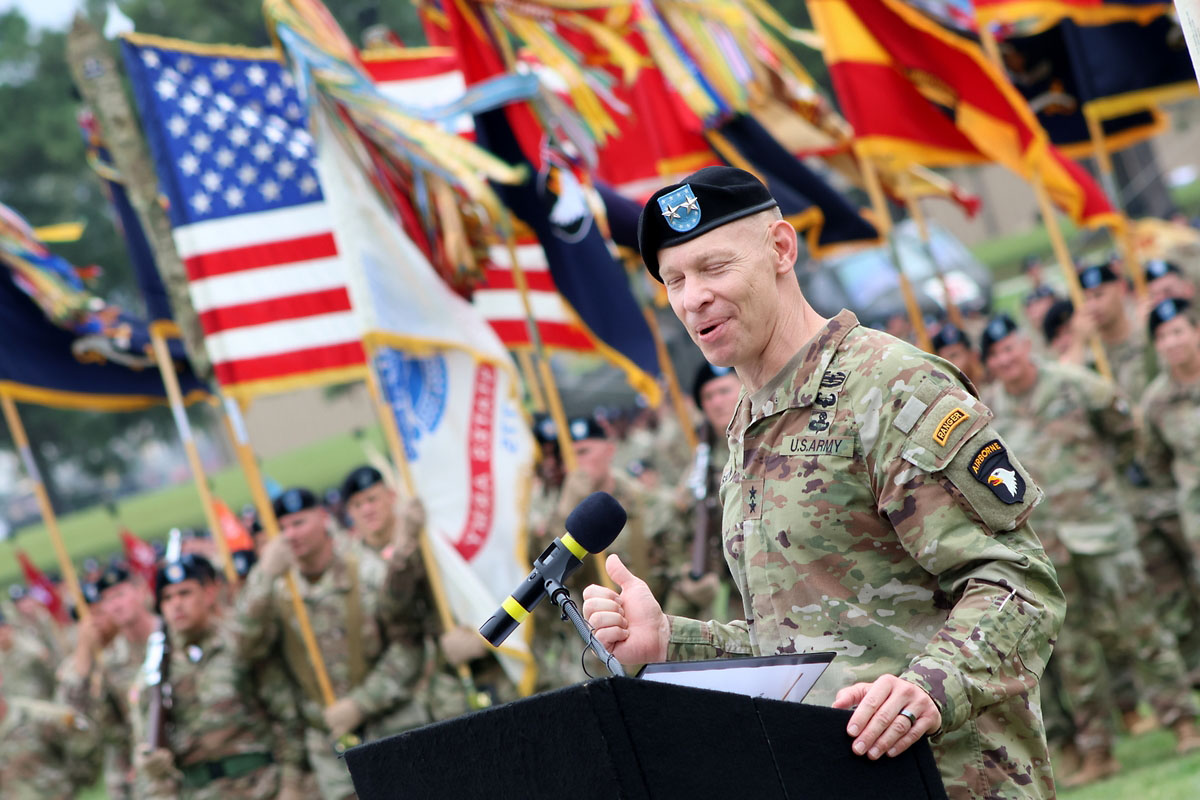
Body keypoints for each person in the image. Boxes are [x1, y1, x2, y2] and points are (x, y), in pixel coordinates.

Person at [583, 166, 1065, 800]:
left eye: (714, 267)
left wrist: (927, 688)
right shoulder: (747, 424)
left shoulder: (889, 386)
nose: (692, 297)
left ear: (781, 249)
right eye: (674, 280)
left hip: (952, 779)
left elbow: (1019, 583)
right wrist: (673, 642)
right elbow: (805, 644)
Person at [981, 315, 1200, 785]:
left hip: (1102, 529)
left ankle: (1182, 720)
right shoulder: (990, 413)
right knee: (1073, 647)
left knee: (1141, 625)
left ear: (1025, 345)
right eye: (995, 355)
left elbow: (1127, 430)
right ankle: (1097, 748)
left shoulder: (1074, 384)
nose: (1005, 359)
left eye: (1010, 348)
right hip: (1047, 545)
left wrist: (1103, 481)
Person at [232, 487, 429, 800]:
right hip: (332, 754)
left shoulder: (366, 571)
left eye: (299, 523)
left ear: (323, 518)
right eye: (282, 528)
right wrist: (264, 575)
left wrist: (361, 703)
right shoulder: (276, 593)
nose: (290, 535)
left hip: (393, 727)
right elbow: (242, 648)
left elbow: (408, 644)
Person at [341, 464, 516, 718]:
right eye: (357, 505)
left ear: (391, 496)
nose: (367, 509)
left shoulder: (430, 536)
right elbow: (392, 615)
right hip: (427, 687)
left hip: (484, 662)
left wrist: (482, 637)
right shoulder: (352, 568)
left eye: (372, 499)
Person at [132, 554, 306, 799]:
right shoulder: (157, 672)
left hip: (261, 787)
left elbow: (287, 718)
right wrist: (148, 760)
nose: (176, 605)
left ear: (209, 593)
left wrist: (292, 785)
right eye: (167, 598)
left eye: (185, 593)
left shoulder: (239, 646)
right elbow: (146, 744)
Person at [57, 566, 156, 800]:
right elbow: (72, 716)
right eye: (86, 617)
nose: (96, 622)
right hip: (129, 772)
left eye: (99, 612)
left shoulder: (136, 643)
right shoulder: (88, 664)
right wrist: (85, 650)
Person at [664, 362, 742, 622]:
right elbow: (681, 519)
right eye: (708, 396)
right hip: (737, 593)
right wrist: (689, 571)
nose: (717, 402)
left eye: (724, 391)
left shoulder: (768, 441)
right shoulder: (701, 465)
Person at [1140, 299, 1200, 560]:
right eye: (1162, 336)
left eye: (1177, 332)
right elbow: (1155, 461)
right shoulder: (1156, 401)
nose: (1171, 342)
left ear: (1196, 331)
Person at [929, 322, 986, 389]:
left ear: (973, 356)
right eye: (942, 360)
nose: (948, 364)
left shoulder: (992, 387)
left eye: (953, 356)